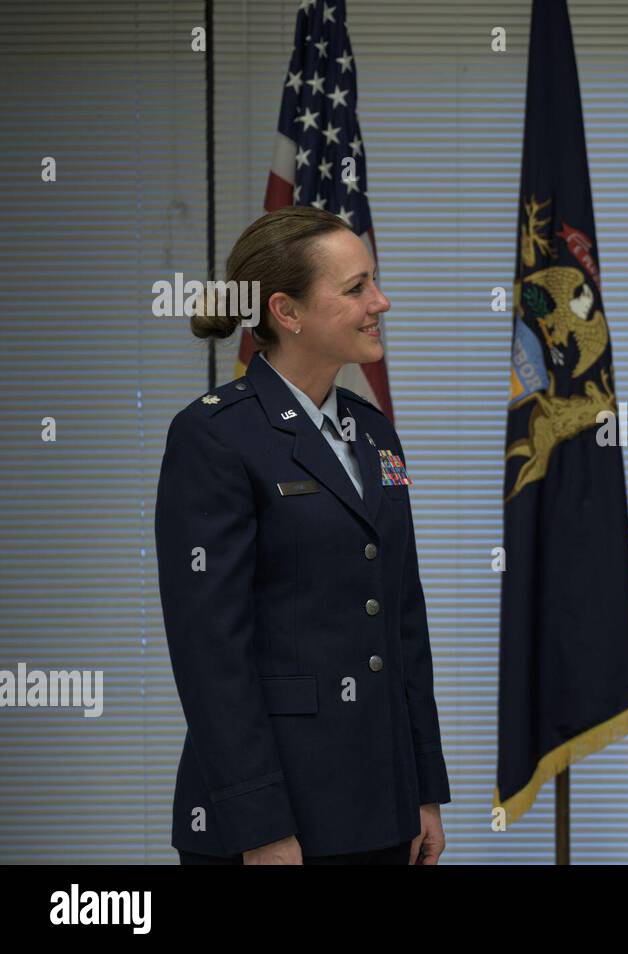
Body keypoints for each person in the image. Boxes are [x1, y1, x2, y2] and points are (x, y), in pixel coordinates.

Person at [155, 206, 450, 865]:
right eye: (355, 289)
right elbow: (210, 655)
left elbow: (403, 619)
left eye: (374, 281)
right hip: (273, 818)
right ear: (286, 312)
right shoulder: (215, 436)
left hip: (379, 810)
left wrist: (422, 789)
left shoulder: (373, 433)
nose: (381, 301)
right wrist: (261, 827)